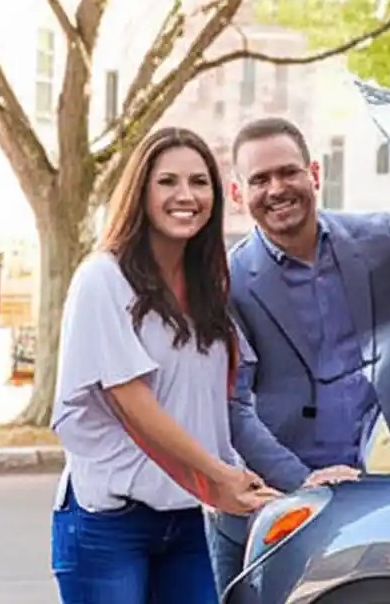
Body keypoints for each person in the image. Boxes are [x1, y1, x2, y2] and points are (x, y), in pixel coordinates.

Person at [205, 117, 390, 592]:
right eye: (259, 179)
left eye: (288, 172)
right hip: (269, 511)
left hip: (384, 500)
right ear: (239, 195)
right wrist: (305, 483)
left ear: (314, 174)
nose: (277, 189)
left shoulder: (384, 241)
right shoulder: (227, 284)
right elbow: (233, 409)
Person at [49, 127, 280, 604]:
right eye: (167, 182)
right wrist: (218, 474)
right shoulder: (103, 278)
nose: (186, 195)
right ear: (141, 193)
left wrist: (272, 475)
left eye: (200, 182)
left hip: (184, 518)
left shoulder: (209, 289)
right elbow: (132, 401)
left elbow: (211, 405)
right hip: (107, 521)